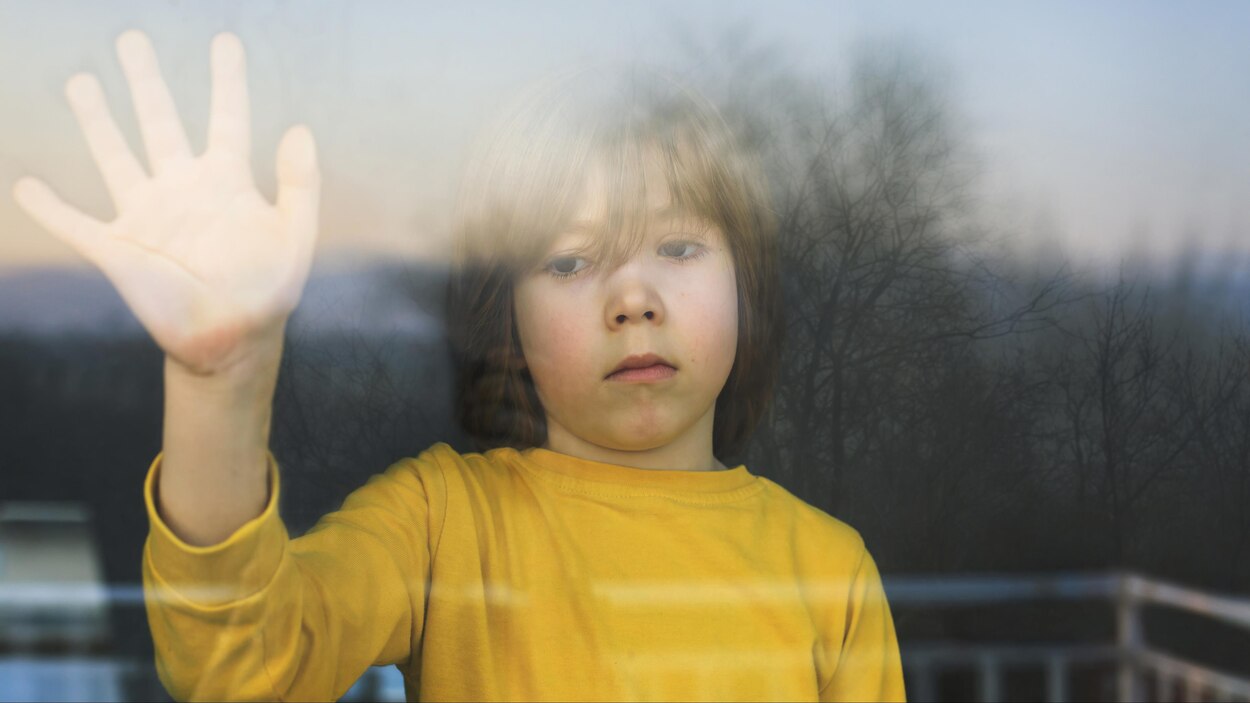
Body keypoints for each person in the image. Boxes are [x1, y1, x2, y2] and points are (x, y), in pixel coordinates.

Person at [12, 28, 906, 702]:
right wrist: (220, 381)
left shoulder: (830, 571)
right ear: (506, 320)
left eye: (677, 246)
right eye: (569, 260)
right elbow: (239, 663)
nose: (632, 298)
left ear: (746, 277)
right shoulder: (443, 520)